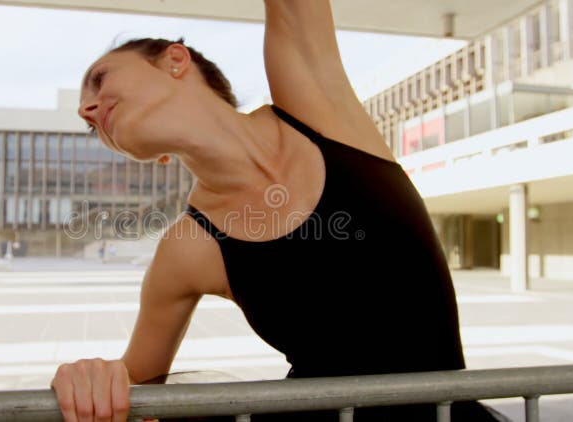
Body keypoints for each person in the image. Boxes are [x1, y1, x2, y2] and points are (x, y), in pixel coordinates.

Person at [51, 1, 506, 421]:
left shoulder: (318, 110)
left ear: (175, 60)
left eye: (101, 79)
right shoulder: (187, 248)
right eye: (86, 123)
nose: (88, 110)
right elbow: (136, 393)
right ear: (157, 158)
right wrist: (89, 380)